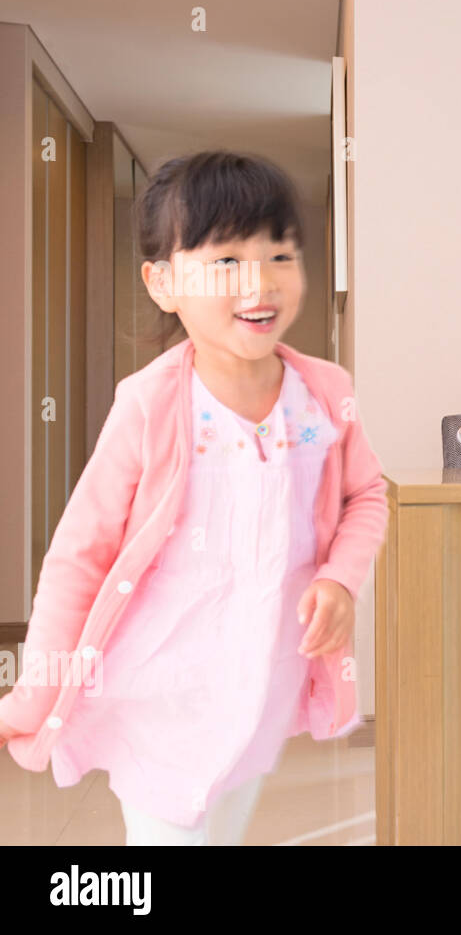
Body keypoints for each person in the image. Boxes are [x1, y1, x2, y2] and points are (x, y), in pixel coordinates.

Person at [0, 151, 388, 844]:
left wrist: (339, 579)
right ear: (163, 282)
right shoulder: (150, 404)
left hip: (258, 687)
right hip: (162, 686)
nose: (260, 281)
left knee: (221, 827)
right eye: (227, 260)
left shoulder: (323, 393)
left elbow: (367, 495)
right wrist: (39, 682)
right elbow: (78, 555)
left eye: (278, 254)